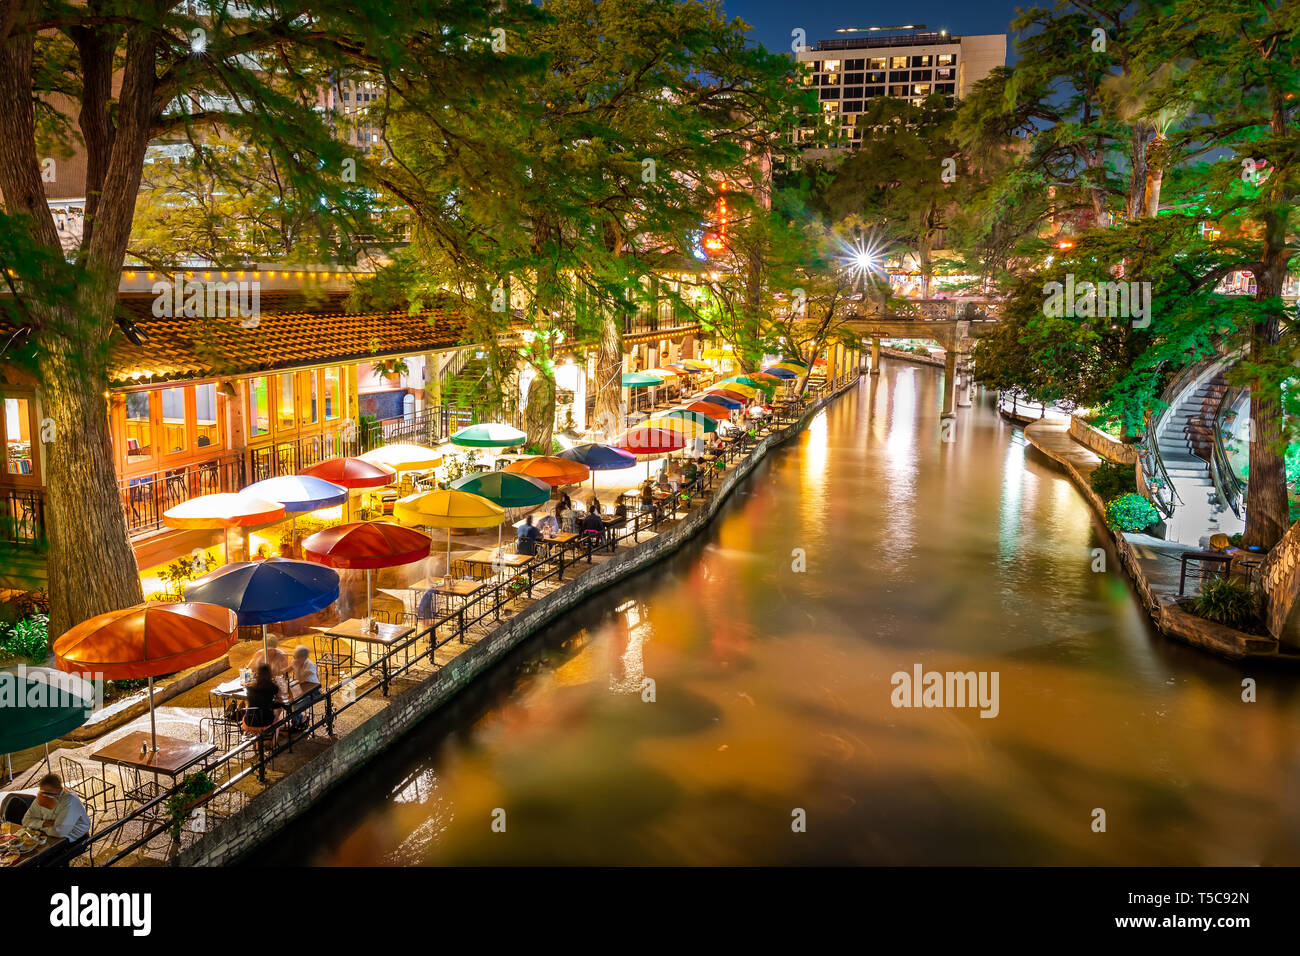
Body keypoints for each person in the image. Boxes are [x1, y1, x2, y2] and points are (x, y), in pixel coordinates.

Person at [21, 774, 91, 858]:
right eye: (41, 792)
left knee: (48, 858)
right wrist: (45, 823)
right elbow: (25, 820)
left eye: (47, 793)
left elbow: (60, 832)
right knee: (27, 851)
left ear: (58, 790)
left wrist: (40, 826)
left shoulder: (69, 799)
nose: (43, 796)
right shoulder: (43, 797)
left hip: (75, 838)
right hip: (49, 836)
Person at [242, 664, 286, 737]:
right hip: (265, 722)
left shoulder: (250, 688)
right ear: (270, 674)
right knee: (277, 721)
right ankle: (274, 745)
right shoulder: (273, 687)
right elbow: (280, 697)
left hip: (249, 722)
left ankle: (257, 744)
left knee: (255, 711)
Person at [287, 645, 324, 732]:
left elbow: (310, 685)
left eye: (296, 657)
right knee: (289, 704)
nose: (294, 659)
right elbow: (286, 670)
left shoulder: (310, 666)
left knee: (294, 705)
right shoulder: (296, 662)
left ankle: (298, 724)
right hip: (302, 690)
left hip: (313, 692)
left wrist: (295, 693)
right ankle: (301, 719)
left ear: (303, 658)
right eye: (294, 657)